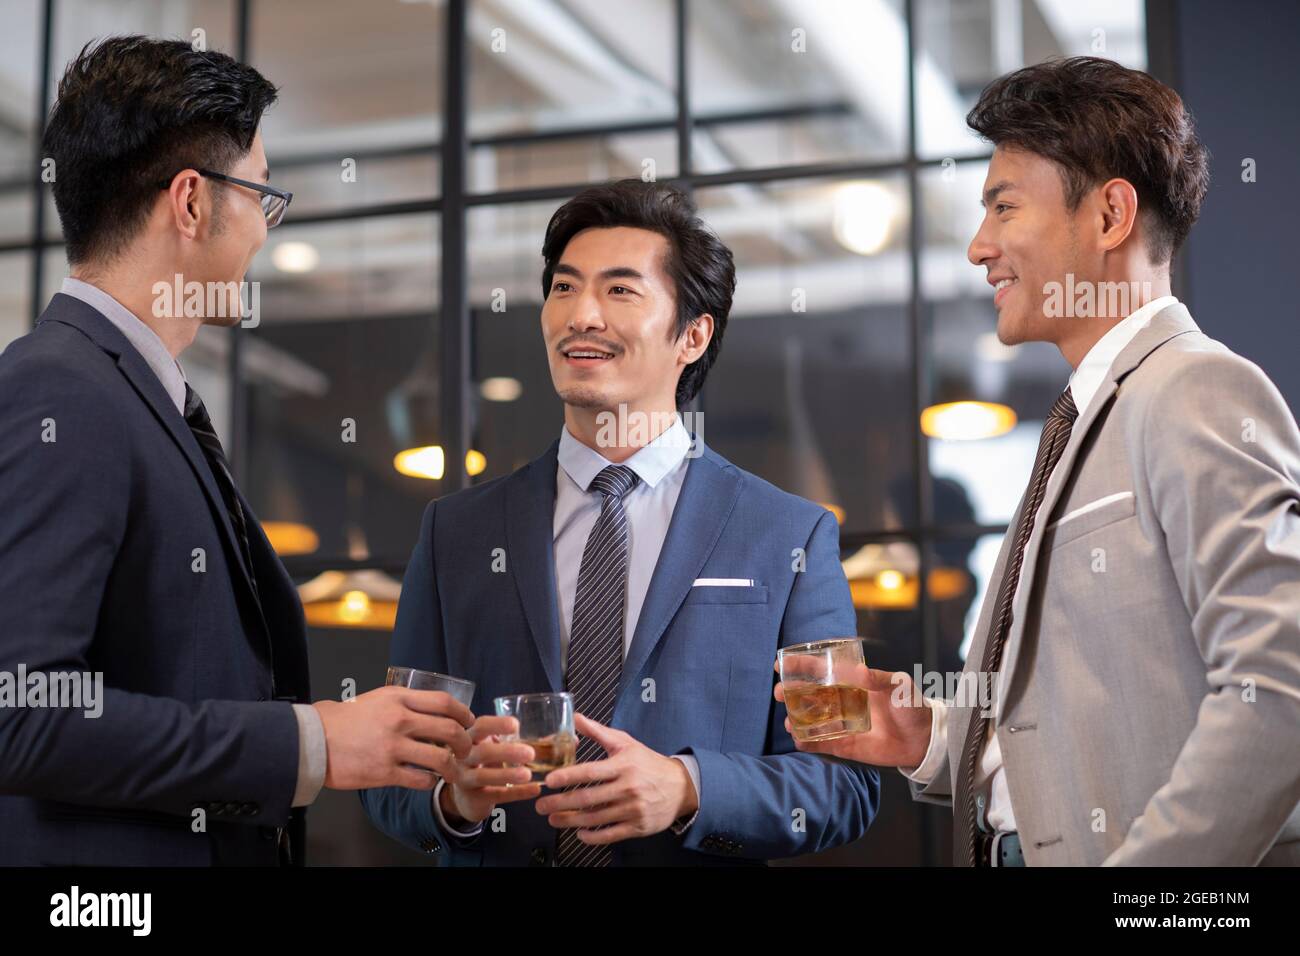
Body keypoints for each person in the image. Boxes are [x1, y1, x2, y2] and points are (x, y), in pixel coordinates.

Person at [778, 56, 1300, 866]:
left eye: (1003, 207)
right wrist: (933, 738)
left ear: (1110, 215)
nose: (979, 247)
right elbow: (1082, 714)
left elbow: (1281, 690)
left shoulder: (1197, 389)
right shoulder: (1082, 418)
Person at [0, 35, 473, 867]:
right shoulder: (61, 390)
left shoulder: (137, 394)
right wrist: (312, 744)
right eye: (261, 194)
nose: (263, 227)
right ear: (190, 203)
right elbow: (21, 712)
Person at [361, 179, 879, 866]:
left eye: (620, 291)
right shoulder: (455, 532)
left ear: (693, 335)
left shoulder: (790, 535)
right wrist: (455, 798)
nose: (581, 315)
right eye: (565, 288)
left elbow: (844, 782)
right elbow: (391, 766)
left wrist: (689, 787)